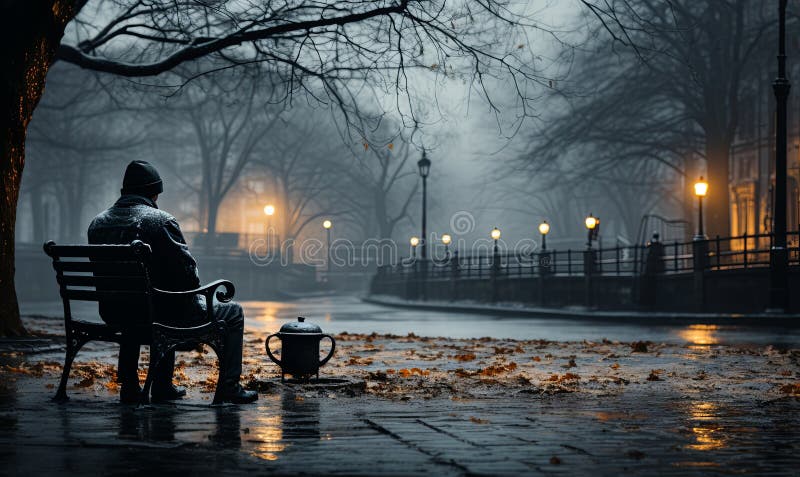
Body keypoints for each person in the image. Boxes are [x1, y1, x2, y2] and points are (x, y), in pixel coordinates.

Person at [88, 160, 257, 404]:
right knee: (232, 312)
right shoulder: (160, 221)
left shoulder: (98, 224)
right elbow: (187, 276)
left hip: (114, 312)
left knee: (154, 301)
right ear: (153, 192)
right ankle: (229, 387)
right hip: (158, 314)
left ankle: (136, 385)